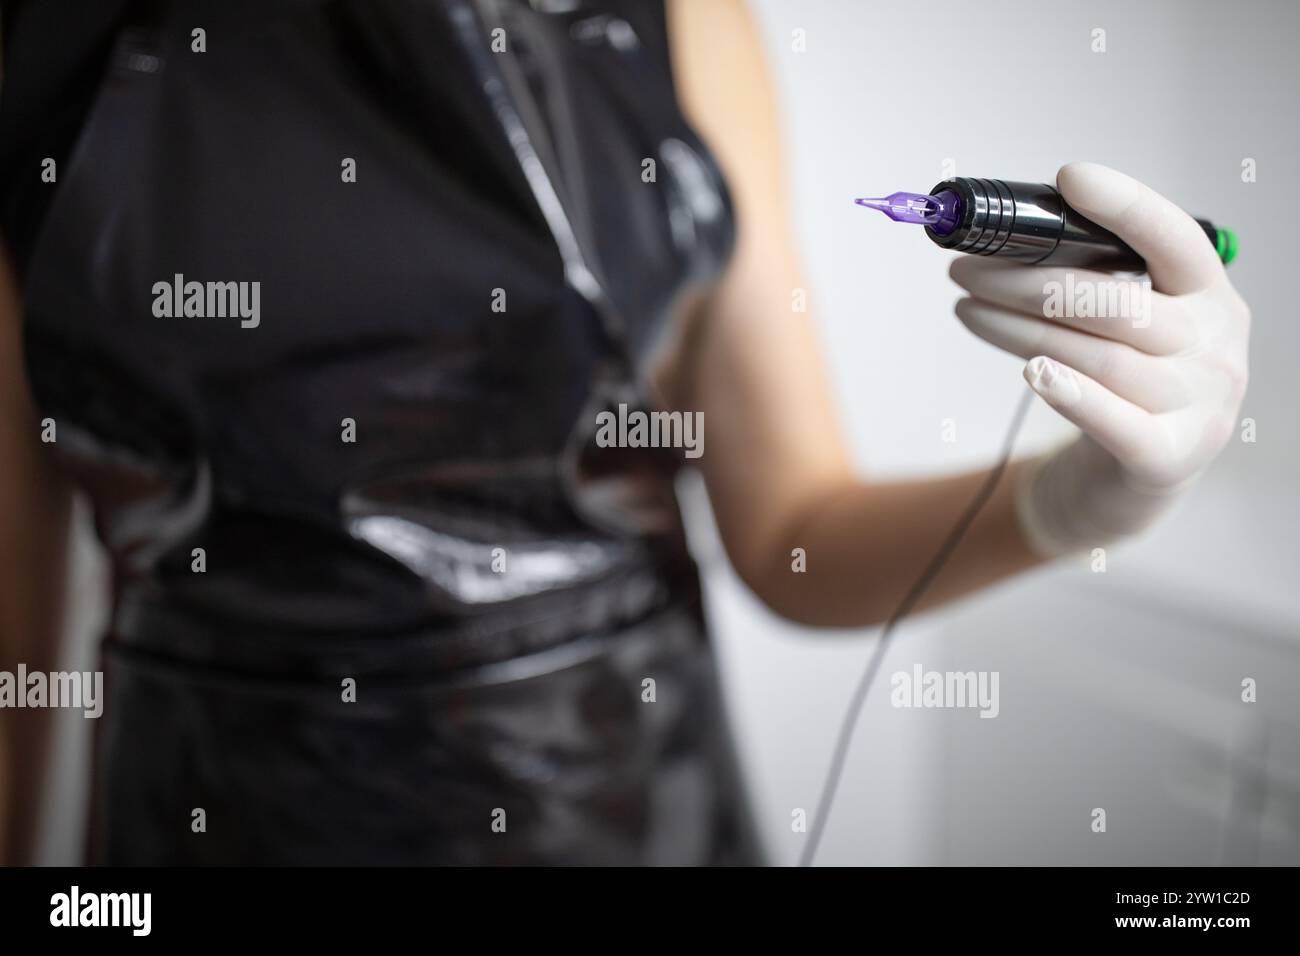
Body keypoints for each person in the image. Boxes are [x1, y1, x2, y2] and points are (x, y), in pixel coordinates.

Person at [0, 0, 1250, 865]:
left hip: (626, 819)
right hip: (211, 821)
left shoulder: (677, 26)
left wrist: (1077, 499)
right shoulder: (45, 52)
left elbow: (796, 540)